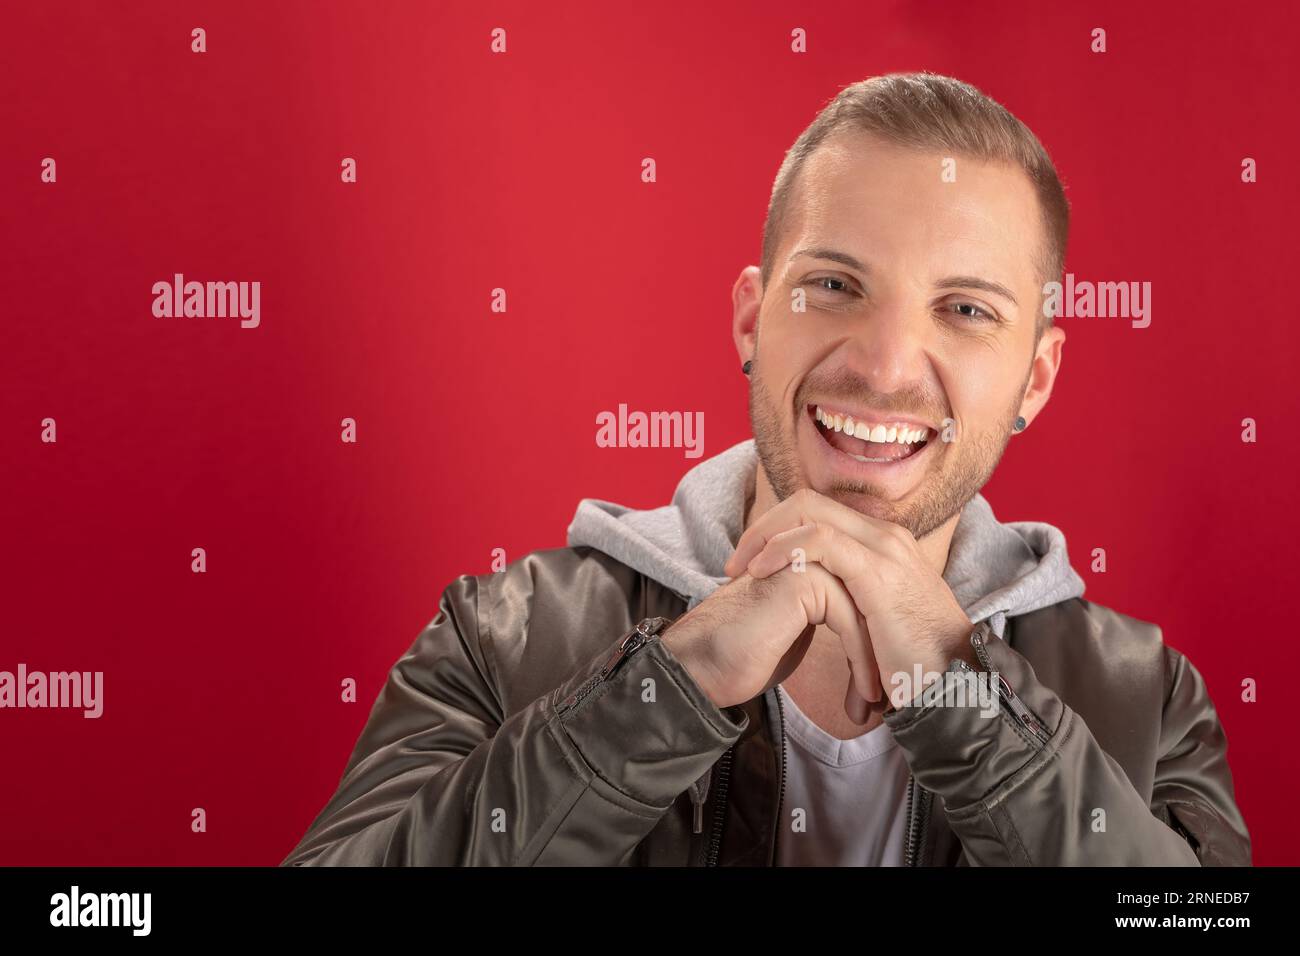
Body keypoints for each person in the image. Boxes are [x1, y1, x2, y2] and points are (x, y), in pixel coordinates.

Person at [282, 72, 1251, 866]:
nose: (881, 365)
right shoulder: (505, 636)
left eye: (964, 310)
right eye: (832, 285)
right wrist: (675, 682)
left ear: (1034, 377)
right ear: (752, 320)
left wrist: (968, 699)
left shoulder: (1139, 692)